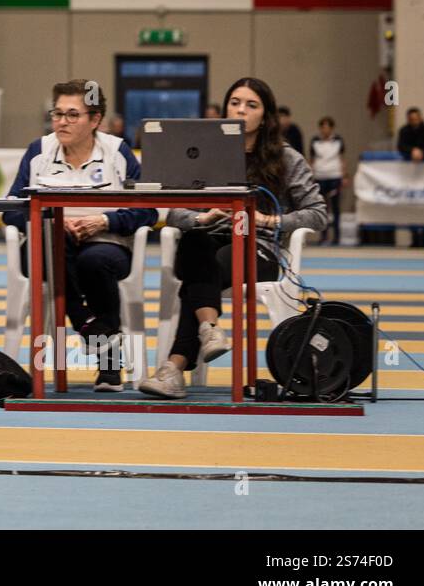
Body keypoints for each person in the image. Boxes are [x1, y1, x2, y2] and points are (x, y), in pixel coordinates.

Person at [140, 77, 328, 399]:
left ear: (265, 116)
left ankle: (174, 366)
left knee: (203, 270)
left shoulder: (287, 158)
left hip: (259, 248)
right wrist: (202, 217)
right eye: (235, 103)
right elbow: (172, 211)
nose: (241, 110)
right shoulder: (201, 154)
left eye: (251, 105)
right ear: (225, 109)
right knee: (194, 244)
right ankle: (209, 330)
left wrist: (269, 220)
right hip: (209, 239)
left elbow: (318, 214)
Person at [1, 80, 157, 392]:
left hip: (105, 243)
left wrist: (104, 220)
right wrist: (52, 221)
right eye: (57, 113)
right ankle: (91, 329)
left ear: (95, 119)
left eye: (73, 115)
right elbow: (11, 210)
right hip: (46, 244)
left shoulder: (118, 152)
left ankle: (99, 347)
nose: (61, 121)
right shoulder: (38, 151)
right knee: (54, 243)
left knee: (94, 262)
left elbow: (148, 211)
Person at [397, 107, 424, 248]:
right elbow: (401, 146)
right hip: (410, 175)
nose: (414, 121)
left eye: (416, 119)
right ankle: (414, 237)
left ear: (420, 118)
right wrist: (412, 152)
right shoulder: (404, 131)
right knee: (412, 204)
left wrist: (422, 153)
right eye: (411, 119)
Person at [309, 116, 347, 246]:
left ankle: (337, 236)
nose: (325, 130)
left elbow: (342, 158)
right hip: (320, 177)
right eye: (322, 127)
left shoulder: (338, 141)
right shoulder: (315, 141)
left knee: (335, 208)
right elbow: (312, 160)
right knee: (322, 208)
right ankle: (323, 236)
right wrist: (311, 176)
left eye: (327, 127)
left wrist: (344, 176)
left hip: (334, 176)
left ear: (331, 128)